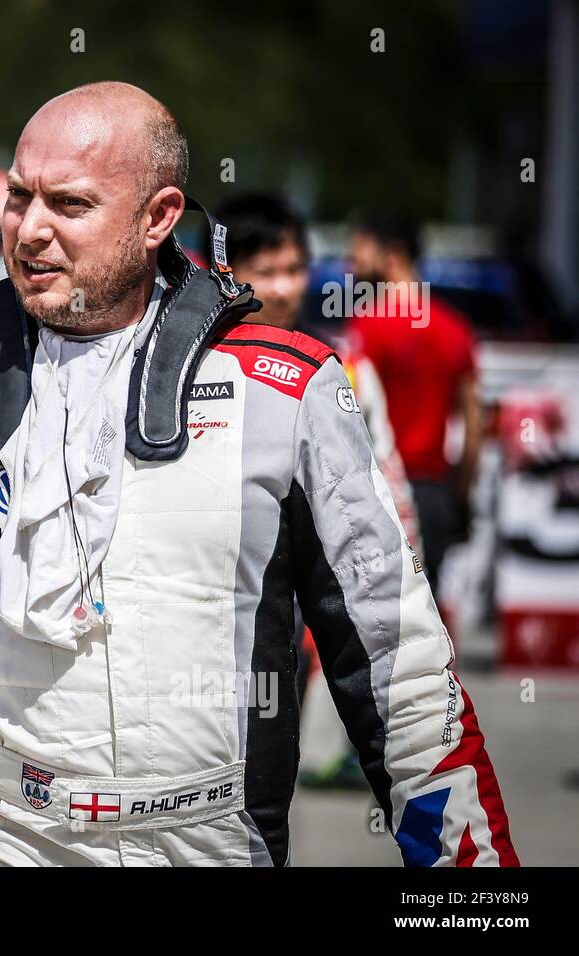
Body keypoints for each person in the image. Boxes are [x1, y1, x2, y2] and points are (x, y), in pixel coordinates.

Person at [0, 83, 517, 867]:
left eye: (69, 204)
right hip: (9, 839)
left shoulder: (286, 390)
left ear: (160, 216)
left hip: (217, 844)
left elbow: (400, 673)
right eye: (20, 196)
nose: (30, 230)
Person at [216, 193, 414, 790]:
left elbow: (388, 488)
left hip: (311, 596)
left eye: (294, 269)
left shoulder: (341, 365)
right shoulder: (180, 366)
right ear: (225, 271)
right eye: (265, 271)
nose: (282, 288)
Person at [346, 214, 481, 604]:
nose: (350, 268)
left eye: (359, 256)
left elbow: (350, 413)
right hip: (437, 492)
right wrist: (460, 493)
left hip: (383, 491)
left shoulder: (369, 326)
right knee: (428, 611)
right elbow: (474, 426)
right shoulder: (456, 327)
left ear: (393, 256)